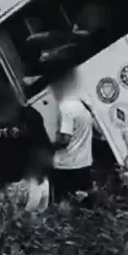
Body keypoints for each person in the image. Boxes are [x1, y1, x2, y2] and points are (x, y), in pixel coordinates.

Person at [50, 73, 96, 204]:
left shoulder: (65, 106)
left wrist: (48, 146)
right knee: (85, 203)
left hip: (66, 165)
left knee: (64, 204)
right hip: (84, 162)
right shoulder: (83, 106)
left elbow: (65, 139)